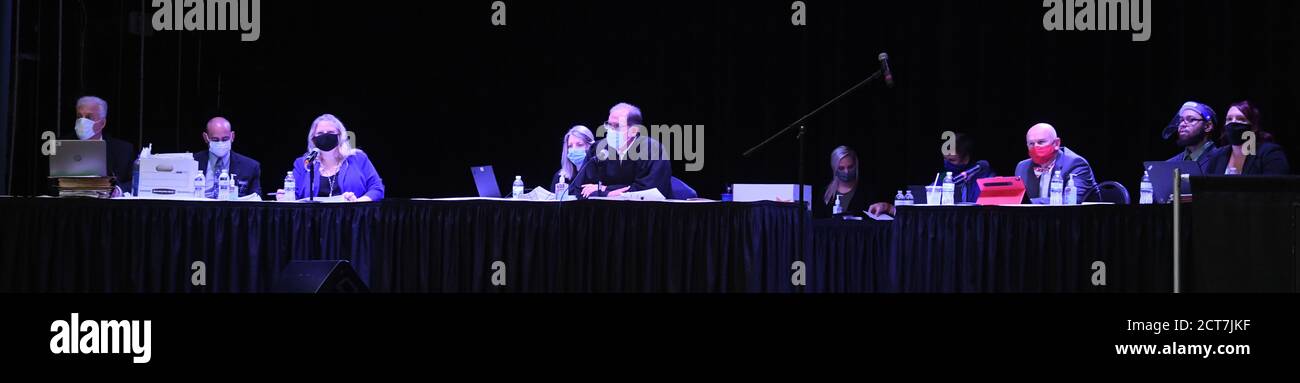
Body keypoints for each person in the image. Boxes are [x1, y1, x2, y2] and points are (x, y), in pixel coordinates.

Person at [867, 133, 995, 216]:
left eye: (952, 160)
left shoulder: (986, 177)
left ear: (966, 158)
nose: (946, 164)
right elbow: (919, 205)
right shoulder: (943, 179)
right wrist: (888, 207)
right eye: (944, 159)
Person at [572, 103, 673, 199]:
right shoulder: (598, 149)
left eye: (617, 126)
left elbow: (650, 191)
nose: (611, 130)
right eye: (609, 124)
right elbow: (578, 188)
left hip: (642, 213)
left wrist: (605, 190)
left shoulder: (653, 150)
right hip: (602, 213)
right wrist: (607, 194)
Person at [286, 114, 385, 201]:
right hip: (313, 220)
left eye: (331, 132)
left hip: (353, 218)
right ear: (313, 139)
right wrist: (285, 196)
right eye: (320, 133)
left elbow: (377, 188)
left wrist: (358, 202)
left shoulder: (358, 158)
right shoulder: (303, 163)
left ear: (340, 136)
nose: (326, 136)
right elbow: (294, 196)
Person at [1013, 123, 1096, 204]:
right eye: (1031, 144)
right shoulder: (1022, 167)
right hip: (1037, 217)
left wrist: (1029, 203)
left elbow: (1072, 200)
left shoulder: (1075, 164)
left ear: (1056, 143)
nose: (1036, 147)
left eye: (1041, 142)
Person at [1203, 100, 1289, 175]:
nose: (1233, 123)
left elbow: (1276, 190)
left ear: (1254, 127)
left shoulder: (1269, 153)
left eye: (1240, 119)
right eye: (1229, 119)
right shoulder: (1217, 155)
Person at [73, 96, 134, 190]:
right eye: (79, 116)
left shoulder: (123, 150)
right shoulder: (61, 145)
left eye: (89, 117)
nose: (82, 121)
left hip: (108, 203)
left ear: (102, 123)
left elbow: (133, 182)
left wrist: (118, 190)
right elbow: (52, 184)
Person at [193, 117, 261, 198]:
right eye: (215, 140)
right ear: (206, 138)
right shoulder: (191, 162)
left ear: (232, 136)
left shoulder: (250, 167)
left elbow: (256, 199)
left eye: (225, 139)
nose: (221, 143)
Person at [1165, 101, 1218, 171]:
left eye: (1191, 120)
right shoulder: (1170, 164)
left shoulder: (1222, 159)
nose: (1182, 124)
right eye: (1181, 120)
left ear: (1207, 126)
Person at [818, 146, 870, 218]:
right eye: (841, 168)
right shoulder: (825, 194)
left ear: (856, 165)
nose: (846, 171)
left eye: (850, 167)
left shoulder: (867, 192)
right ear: (834, 168)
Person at [553, 125, 595, 193]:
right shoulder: (560, 176)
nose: (574, 149)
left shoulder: (600, 174)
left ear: (591, 146)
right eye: (570, 146)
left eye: (579, 145)